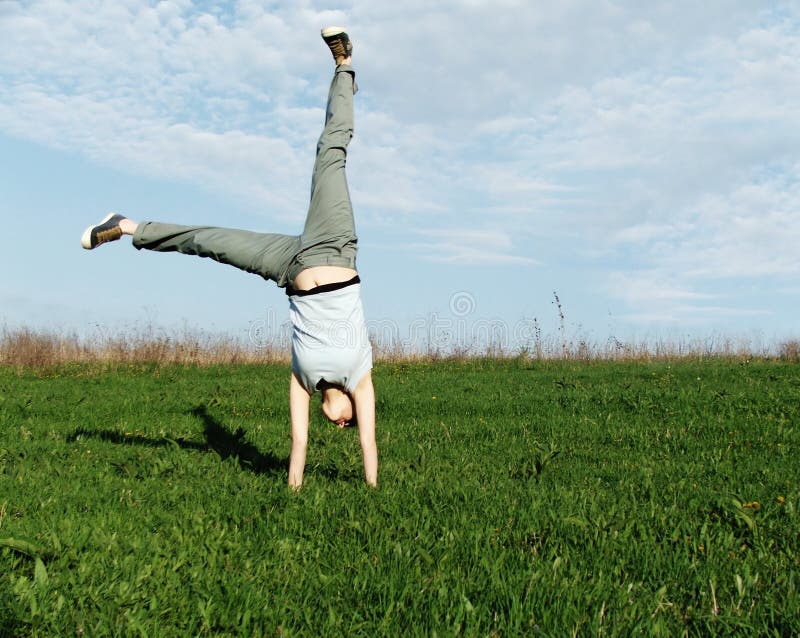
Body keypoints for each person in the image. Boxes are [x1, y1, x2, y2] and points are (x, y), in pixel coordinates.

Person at [80, 27, 377, 489]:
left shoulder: (302, 381)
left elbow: (297, 446)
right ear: (354, 411)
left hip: (289, 266)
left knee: (212, 241)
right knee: (330, 154)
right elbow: (369, 449)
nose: (339, 425)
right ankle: (344, 68)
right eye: (346, 423)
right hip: (335, 245)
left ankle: (128, 226)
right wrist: (371, 488)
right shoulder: (361, 377)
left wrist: (292, 495)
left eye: (338, 426)